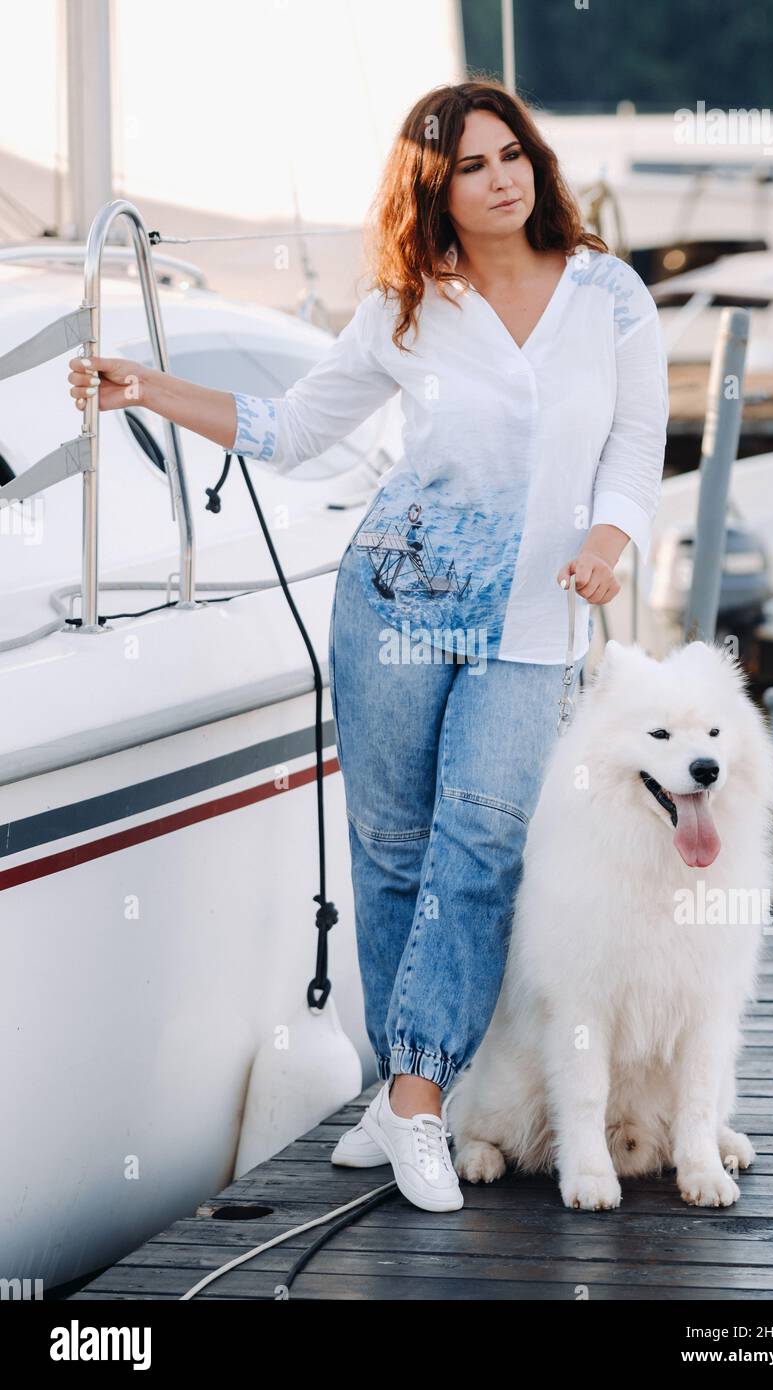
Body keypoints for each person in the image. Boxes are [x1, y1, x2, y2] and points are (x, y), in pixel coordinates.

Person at [68, 80, 669, 1215]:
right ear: (433, 191)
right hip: (393, 604)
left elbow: (636, 444)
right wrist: (141, 386)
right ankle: (408, 1098)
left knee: (480, 850)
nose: (502, 177)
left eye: (513, 154)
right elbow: (290, 431)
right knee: (391, 854)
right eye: (473, 166)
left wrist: (609, 535)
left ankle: (413, 1098)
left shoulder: (608, 295)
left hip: (534, 619)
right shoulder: (409, 303)